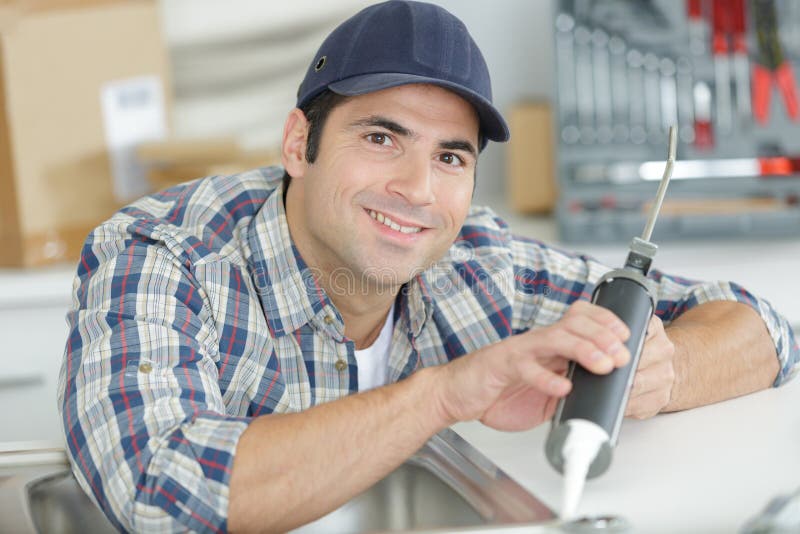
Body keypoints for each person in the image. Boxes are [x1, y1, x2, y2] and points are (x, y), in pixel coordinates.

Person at [58, 1, 798, 532]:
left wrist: (661, 371)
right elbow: (163, 495)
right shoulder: (163, 256)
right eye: (381, 137)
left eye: (450, 157)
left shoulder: (478, 260)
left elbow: (766, 329)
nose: (417, 191)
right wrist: (441, 396)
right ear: (297, 144)